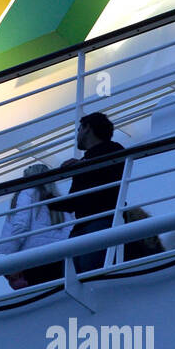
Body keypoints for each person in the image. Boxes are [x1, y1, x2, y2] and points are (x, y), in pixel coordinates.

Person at [51, 112, 127, 274]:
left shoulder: (113, 150)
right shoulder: (86, 162)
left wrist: (81, 164)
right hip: (84, 226)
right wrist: (46, 198)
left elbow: (108, 163)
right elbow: (73, 202)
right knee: (72, 274)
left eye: (79, 129)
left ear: (86, 129)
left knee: (88, 271)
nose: (77, 135)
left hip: (101, 222)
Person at [0, 163, 71, 289]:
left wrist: (2, 258)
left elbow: (20, 227)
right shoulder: (60, 200)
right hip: (62, 261)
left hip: (34, 262)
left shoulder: (27, 193)